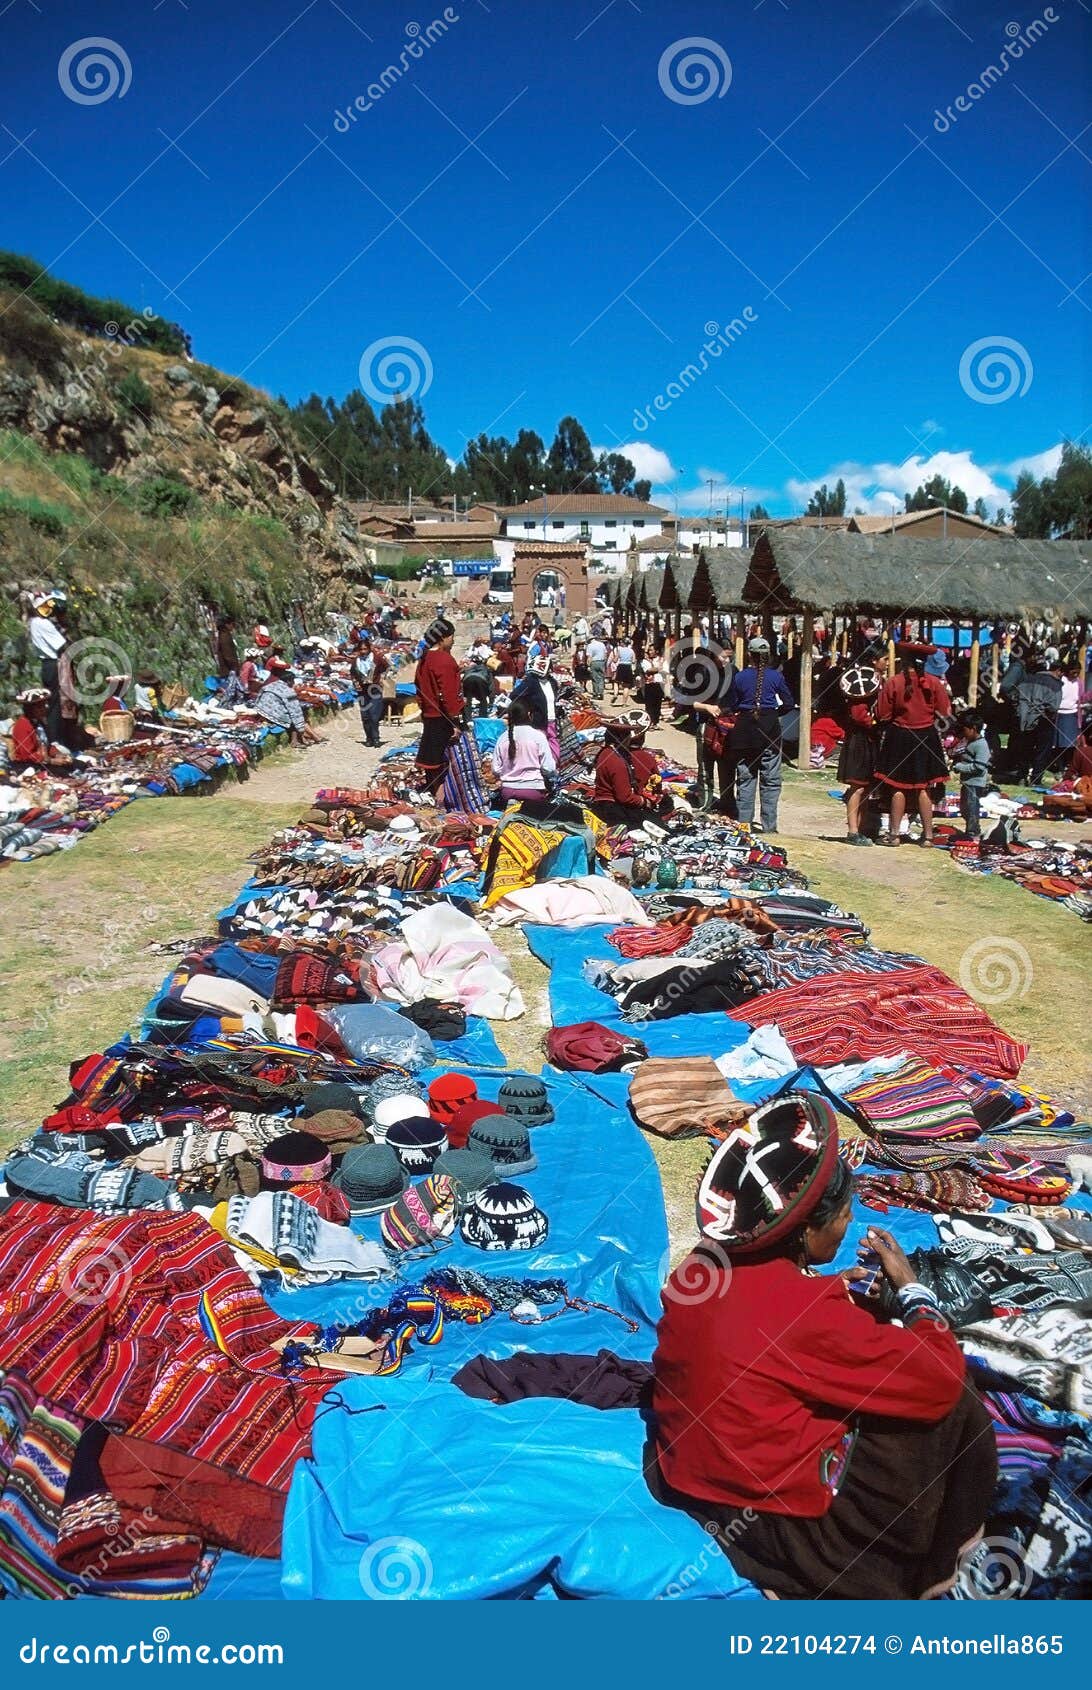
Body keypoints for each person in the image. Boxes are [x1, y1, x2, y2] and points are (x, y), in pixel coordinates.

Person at [648, 1093, 996, 1600]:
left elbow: (761, 1325)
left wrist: (837, 1299)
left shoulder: (703, 1265)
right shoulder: (809, 1315)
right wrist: (912, 1294)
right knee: (954, 1398)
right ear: (807, 1227)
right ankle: (927, 1568)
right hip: (774, 1527)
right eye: (845, 1214)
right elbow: (937, 1378)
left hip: (684, 1476)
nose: (849, 1224)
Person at [873, 641, 951, 846]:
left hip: (899, 737)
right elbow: (945, 711)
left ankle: (894, 835)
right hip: (926, 737)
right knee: (924, 787)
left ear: (903, 660)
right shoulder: (934, 683)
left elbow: (882, 714)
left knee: (897, 787)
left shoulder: (893, 682)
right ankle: (928, 837)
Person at [725, 636, 794, 834]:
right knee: (770, 780)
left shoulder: (739, 677)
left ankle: (744, 824)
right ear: (769, 656)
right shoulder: (776, 677)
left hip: (744, 730)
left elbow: (732, 704)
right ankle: (769, 827)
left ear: (749, 655)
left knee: (745, 778)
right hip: (770, 728)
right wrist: (774, 714)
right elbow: (789, 703)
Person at [414, 618, 463, 800]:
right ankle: (443, 799)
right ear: (443, 637)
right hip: (443, 718)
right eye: (451, 637)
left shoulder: (425, 658)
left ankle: (435, 795)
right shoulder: (444, 660)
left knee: (432, 762)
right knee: (445, 761)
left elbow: (418, 687)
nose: (453, 641)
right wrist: (454, 722)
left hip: (429, 715)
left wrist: (424, 707)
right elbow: (449, 694)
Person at [836, 660, 882, 846]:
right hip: (859, 743)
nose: (887, 663)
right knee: (857, 787)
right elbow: (861, 717)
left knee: (866, 788)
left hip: (867, 742)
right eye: (885, 659)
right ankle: (853, 830)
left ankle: (862, 827)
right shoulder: (859, 698)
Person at [590, 721, 666, 828]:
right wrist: (644, 802)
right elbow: (624, 797)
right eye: (628, 736)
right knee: (655, 822)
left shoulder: (605, 752)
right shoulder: (616, 761)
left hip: (603, 804)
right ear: (623, 738)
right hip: (612, 809)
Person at [491, 698, 557, 806]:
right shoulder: (538, 736)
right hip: (533, 792)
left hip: (507, 792)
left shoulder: (502, 738)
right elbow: (549, 768)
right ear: (529, 714)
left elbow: (496, 769)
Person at [26, 593, 67, 745]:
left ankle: (53, 737)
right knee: (55, 703)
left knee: (51, 701)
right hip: (52, 662)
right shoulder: (45, 624)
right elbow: (60, 643)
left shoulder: (33, 622)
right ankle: (55, 739)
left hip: (45, 665)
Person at [253, 659, 322, 745]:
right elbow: (294, 710)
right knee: (294, 718)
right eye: (292, 681)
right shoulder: (288, 691)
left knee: (293, 717)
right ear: (289, 681)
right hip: (271, 715)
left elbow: (259, 696)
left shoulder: (271, 685)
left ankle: (306, 738)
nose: (293, 683)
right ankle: (302, 739)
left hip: (260, 711)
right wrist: (300, 727)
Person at [1020, 655, 1063, 786]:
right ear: (1059, 671)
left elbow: (1017, 696)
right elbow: (1054, 706)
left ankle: (1022, 777)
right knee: (1042, 750)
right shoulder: (1055, 684)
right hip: (1044, 720)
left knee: (1025, 749)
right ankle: (1035, 779)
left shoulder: (1027, 679)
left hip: (1025, 718)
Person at [951, 709, 991, 841]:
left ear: (973, 729)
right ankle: (971, 829)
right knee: (964, 808)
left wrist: (960, 767)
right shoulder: (971, 743)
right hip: (968, 782)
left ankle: (973, 832)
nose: (964, 733)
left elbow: (979, 767)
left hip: (975, 783)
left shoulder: (981, 745)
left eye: (965, 730)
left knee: (971, 808)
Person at [8, 687, 72, 769]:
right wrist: (50, 761)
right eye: (39, 707)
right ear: (30, 709)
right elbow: (26, 755)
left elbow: (47, 746)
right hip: (28, 765)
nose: (44, 709)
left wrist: (58, 754)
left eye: (44, 706)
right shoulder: (22, 726)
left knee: (78, 764)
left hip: (43, 761)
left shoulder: (40, 723)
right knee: (62, 772)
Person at [512, 652, 560, 760]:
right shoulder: (531, 682)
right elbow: (515, 695)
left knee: (553, 741)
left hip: (551, 719)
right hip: (538, 720)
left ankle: (553, 765)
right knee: (539, 743)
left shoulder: (552, 682)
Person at [351, 637, 387, 748]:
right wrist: (355, 682)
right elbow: (352, 673)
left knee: (374, 715)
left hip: (375, 689)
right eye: (361, 649)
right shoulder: (356, 661)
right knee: (365, 716)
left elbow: (386, 667)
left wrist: (382, 677)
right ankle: (369, 738)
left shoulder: (376, 659)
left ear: (369, 649)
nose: (363, 652)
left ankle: (376, 738)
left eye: (365, 649)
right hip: (362, 691)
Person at [1054, 662, 1082, 769]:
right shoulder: (1061, 681)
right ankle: (1059, 766)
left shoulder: (1079, 683)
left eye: (1077, 672)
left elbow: (1081, 697)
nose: (1075, 675)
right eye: (1073, 672)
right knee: (1059, 744)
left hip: (1072, 715)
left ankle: (1069, 765)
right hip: (1059, 714)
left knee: (1071, 744)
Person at [638, 650, 666, 728]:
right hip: (649, 685)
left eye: (651, 650)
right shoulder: (645, 661)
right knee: (649, 705)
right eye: (649, 651)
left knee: (658, 704)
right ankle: (649, 723)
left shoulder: (661, 660)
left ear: (656, 651)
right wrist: (659, 668)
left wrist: (657, 669)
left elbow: (666, 670)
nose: (649, 652)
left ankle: (655, 723)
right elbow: (648, 670)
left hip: (659, 684)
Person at [613, 635, 636, 702]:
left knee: (616, 681)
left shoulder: (620, 650)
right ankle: (624, 703)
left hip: (621, 666)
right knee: (626, 686)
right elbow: (634, 661)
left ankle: (615, 694)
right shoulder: (631, 651)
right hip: (628, 667)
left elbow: (615, 660)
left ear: (623, 643)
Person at [586, 631, 608, 701]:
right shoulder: (601, 644)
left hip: (594, 662)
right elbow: (605, 654)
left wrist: (588, 665)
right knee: (601, 678)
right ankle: (601, 693)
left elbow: (589, 657)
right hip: (601, 661)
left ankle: (596, 693)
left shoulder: (590, 646)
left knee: (594, 679)